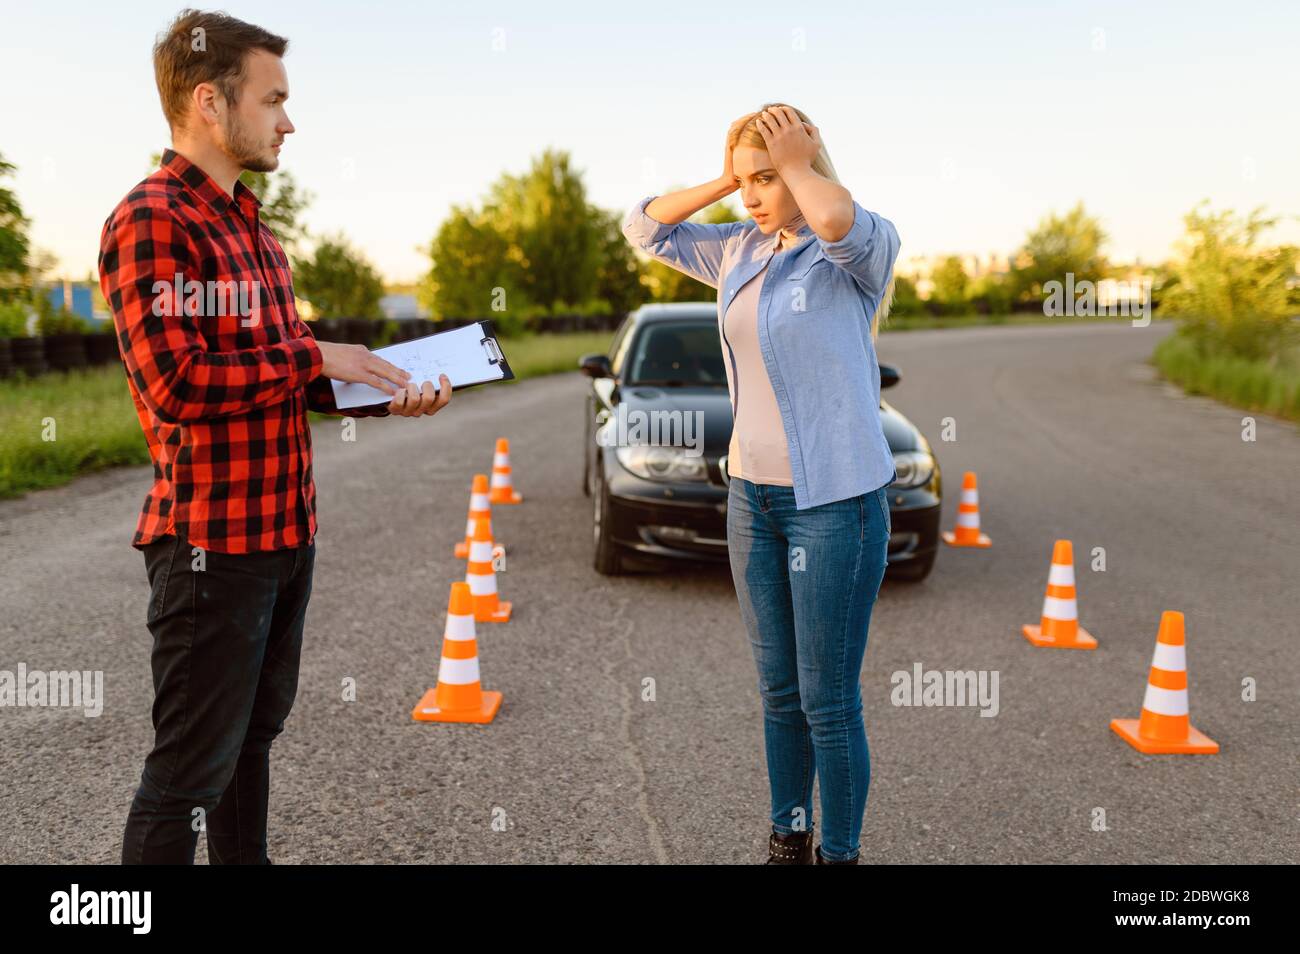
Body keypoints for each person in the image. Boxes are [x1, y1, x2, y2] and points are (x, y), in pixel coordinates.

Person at [98, 9, 451, 864]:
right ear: (211, 103)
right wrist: (313, 352)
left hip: (285, 533)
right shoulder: (153, 219)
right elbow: (176, 384)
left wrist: (379, 389)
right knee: (186, 773)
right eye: (275, 100)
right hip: (210, 545)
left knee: (248, 747)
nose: (289, 121)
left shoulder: (253, 227)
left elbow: (279, 375)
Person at [622, 103, 901, 864]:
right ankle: (790, 837)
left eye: (766, 178)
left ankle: (841, 853)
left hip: (836, 505)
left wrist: (800, 165)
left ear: (810, 166)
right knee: (779, 694)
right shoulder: (739, 249)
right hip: (753, 500)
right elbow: (643, 227)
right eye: (747, 180)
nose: (752, 194)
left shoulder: (857, 252)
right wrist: (728, 175)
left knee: (828, 701)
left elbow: (836, 221)